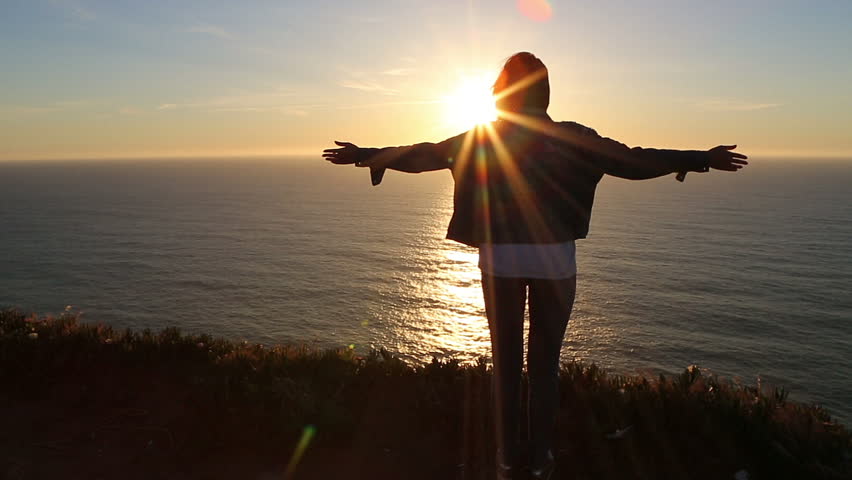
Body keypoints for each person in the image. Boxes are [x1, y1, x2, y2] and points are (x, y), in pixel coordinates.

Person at [323, 52, 747, 479]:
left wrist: (371, 155)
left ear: (501, 94)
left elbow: (425, 155)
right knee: (544, 365)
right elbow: (633, 161)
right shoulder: (575, 137)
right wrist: (699, 157)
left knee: (506, 364)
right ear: (544, 93)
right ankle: (541, 462)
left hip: (500, 260)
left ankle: (508, 462)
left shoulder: (483, 137)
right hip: (555, 263)